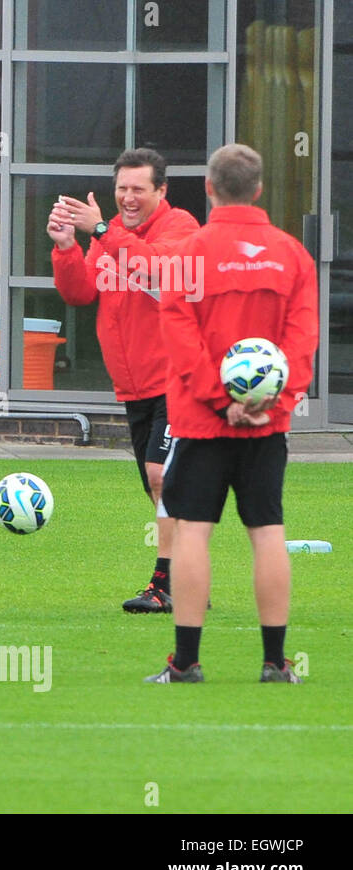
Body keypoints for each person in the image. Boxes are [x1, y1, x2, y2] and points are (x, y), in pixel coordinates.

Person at [148, 143, 318, 684]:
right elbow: (302, 344)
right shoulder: (293, 255)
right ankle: (274, 663)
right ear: (261, 189)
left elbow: (180, 339)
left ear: (208, 188)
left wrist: (221, 401)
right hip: (267, 425)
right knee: (267, 530)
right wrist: (273, 404)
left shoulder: (189, 256)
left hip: (201, 421)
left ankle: (186, 662)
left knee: (193, 530)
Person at [50, 147, 200, 614]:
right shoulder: (110, 235)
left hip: (180, 380)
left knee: (163, 479)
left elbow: (153, 266)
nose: (128, 198)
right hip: (134, 388)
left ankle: (164, 586)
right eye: (121, 189)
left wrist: (98, 229)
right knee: (159, 488)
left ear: (162, 190)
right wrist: (65, 247)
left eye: (138, 189)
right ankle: (190, 576)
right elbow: (80, 293)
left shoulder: (182, 229)